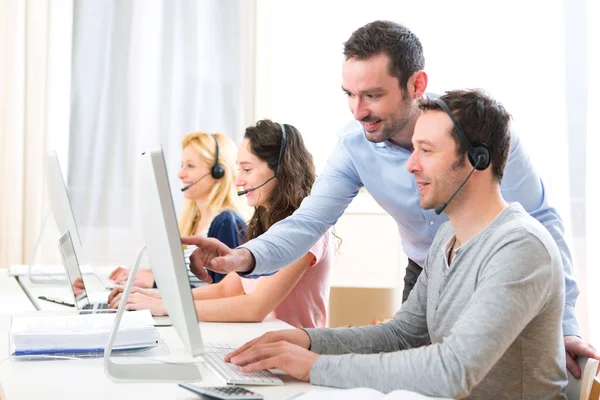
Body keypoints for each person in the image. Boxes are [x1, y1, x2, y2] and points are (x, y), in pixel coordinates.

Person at [183, 20, 598, 376]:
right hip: (429, 267)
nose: (357, 110)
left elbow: (541, 221)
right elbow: (309, 223)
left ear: (416, 84)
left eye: (372, 95)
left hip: (489, 268)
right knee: (409, 366)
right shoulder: (354, 147)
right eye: (349, 94)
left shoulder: (478, 138)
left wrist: (566, 326)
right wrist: (246, 259)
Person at [222, 89, 568, 398]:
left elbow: (452, 371)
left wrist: (313, 366)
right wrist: (308, 341)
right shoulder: (448, 237)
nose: (411, 165)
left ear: (477, 160)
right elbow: (402, 335)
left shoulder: (519, 246)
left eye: (426, 151)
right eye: (413, 149)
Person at [108, 120, 334, 328]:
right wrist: (152, 296)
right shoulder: (265, 229)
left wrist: (165, 307)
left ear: (281, 171)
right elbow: (226, 288)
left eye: (247, 169)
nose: (238, 180)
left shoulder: (308, 231)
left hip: (293, 357)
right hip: (263, 345)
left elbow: (254, 307)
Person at [108, 131, 246, 286]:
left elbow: (224, 295)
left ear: (218, 171)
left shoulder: (227, 222)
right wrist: (140, 275)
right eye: (182, 165)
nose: (180, 174)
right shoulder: (191, 222)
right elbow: (187, 282)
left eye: (190, 166)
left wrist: (154, 283)